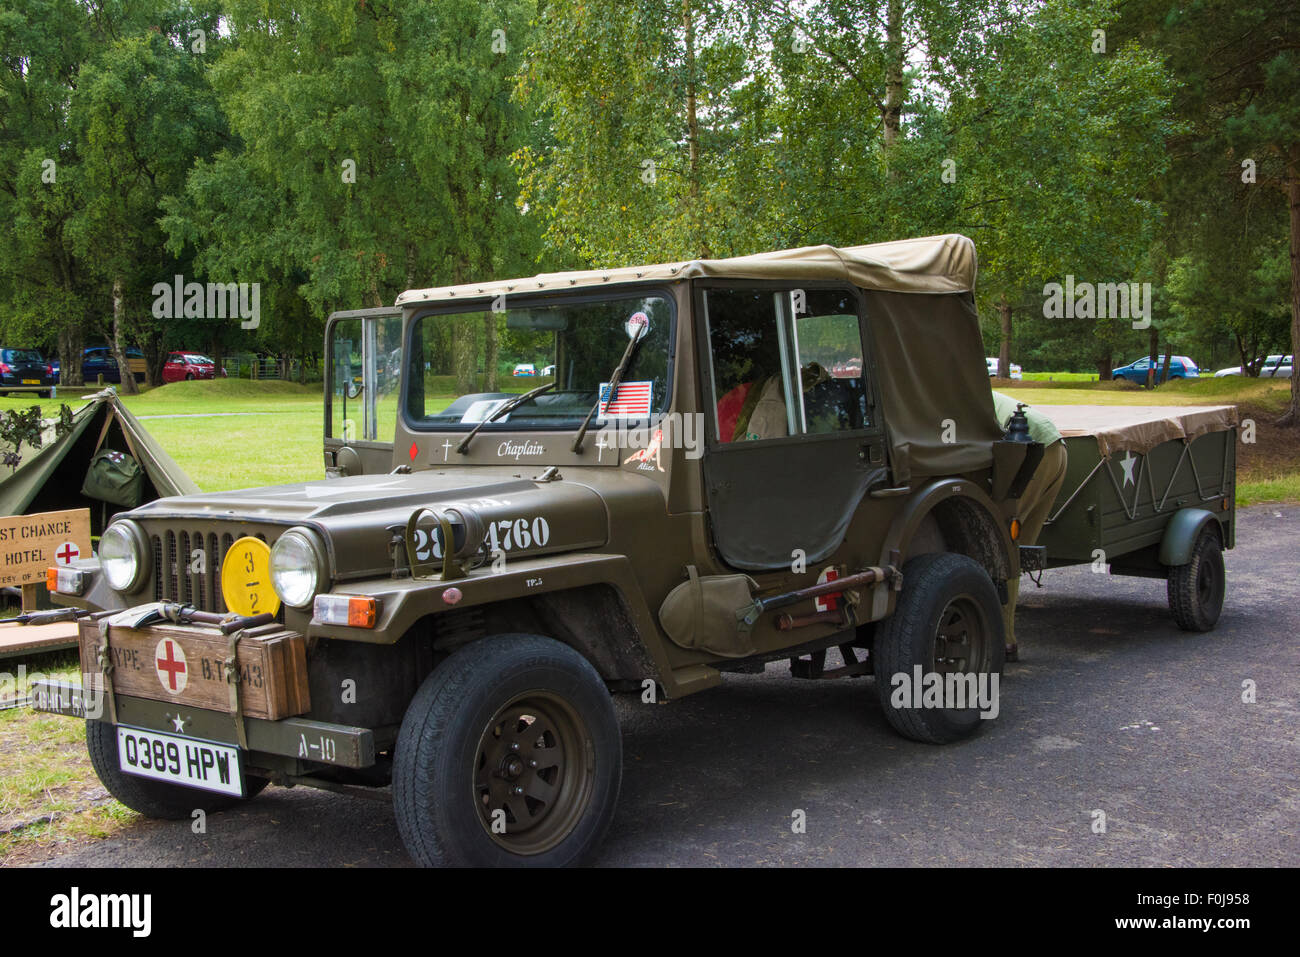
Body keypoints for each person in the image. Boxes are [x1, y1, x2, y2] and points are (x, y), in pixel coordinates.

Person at [991, 391, 1067, 661]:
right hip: (1052, 444)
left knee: (1001, 542)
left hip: (1031, 449)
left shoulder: (957, 393)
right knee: (1015, 546)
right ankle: (1005, 636)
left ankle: (1003, 639)